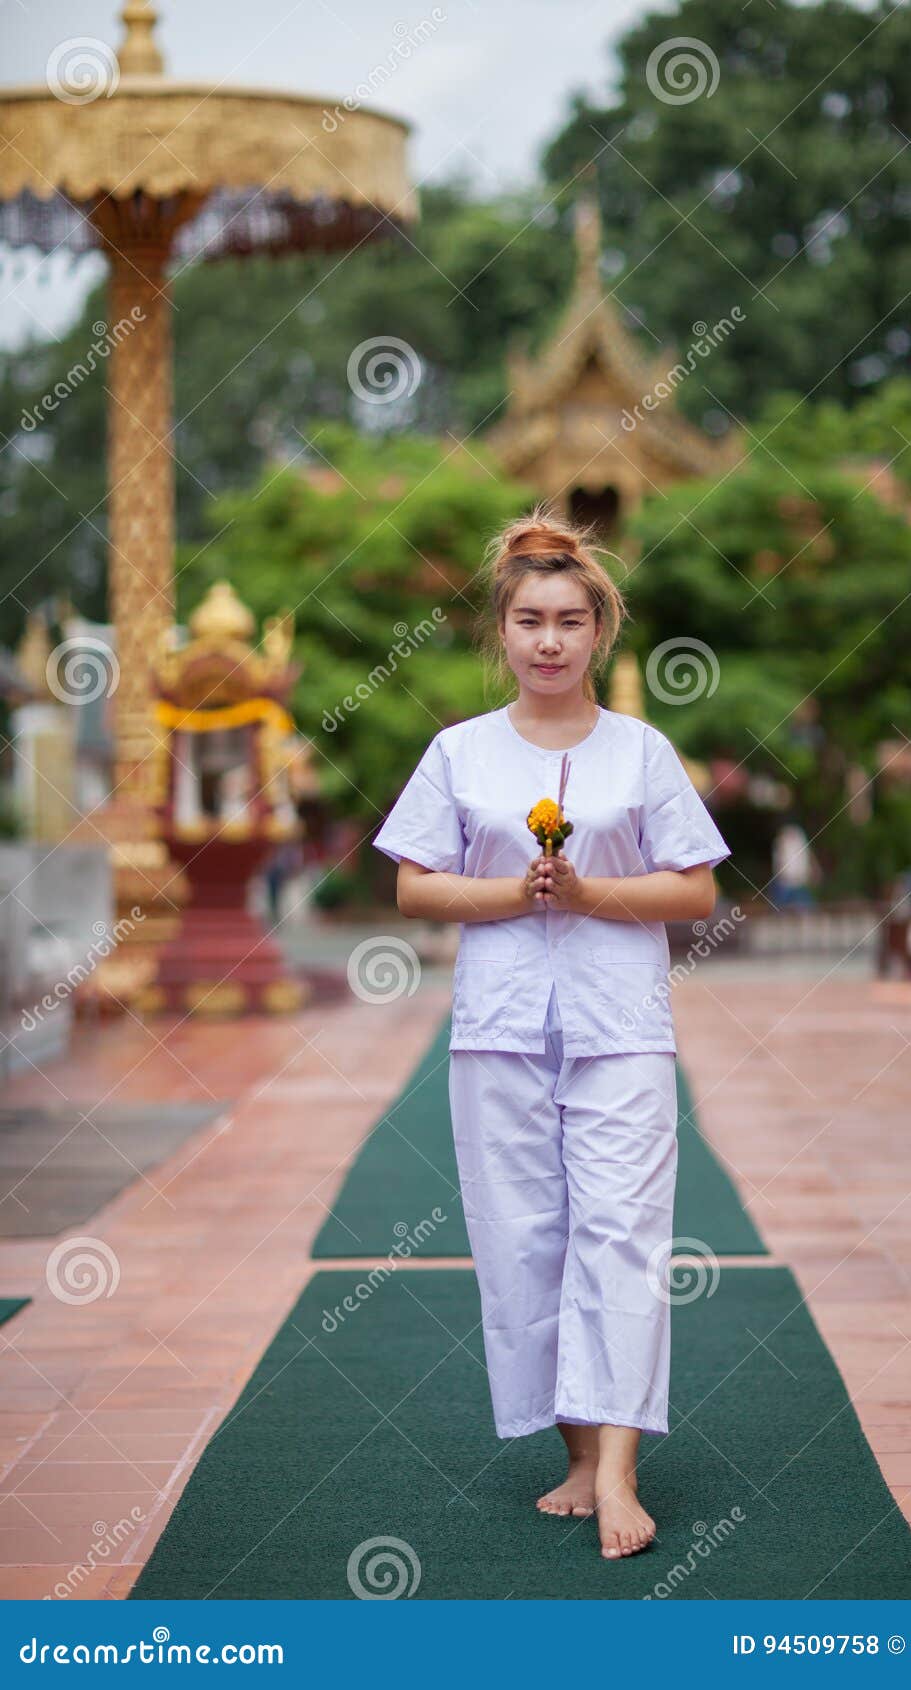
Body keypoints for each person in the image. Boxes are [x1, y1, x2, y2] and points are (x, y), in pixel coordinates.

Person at [371, 507, 731, 1562]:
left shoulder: (642, 751)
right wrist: (514, 894)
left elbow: (696, 887)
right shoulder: (458, 753)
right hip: (497, 1032)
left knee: (620, 1232)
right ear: (501, 628)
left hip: (621, 1026)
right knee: (523, 1242)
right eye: (528, 619)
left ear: (598, 631)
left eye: (569, 620)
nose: (547, 640)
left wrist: (586, 891)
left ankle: (618, 1468)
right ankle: (576, 1450)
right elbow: (411, 887)